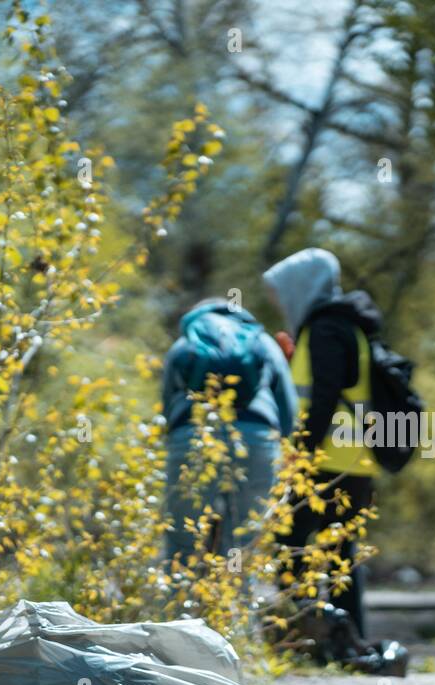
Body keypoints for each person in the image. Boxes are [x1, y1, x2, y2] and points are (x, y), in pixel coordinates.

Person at [262, 248, 379, 640]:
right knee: (340, 556)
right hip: (353, 460)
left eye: (284, 293)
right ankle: (347, 640)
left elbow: (325, 396)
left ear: (302, 288)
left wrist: (300, 455)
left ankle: (295, 634)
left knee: (290, 545)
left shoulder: (325, 328)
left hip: (324, 462)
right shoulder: (346, 325)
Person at [161, 297, 296, 564]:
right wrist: (283, 446)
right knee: (244, 541)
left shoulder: (185, 343)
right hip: (257, 440)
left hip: (193, 437)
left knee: (183, 542)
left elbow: (167, 404)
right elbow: (287, 405)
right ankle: (238, 603)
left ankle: (183, 604)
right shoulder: (263, 342)